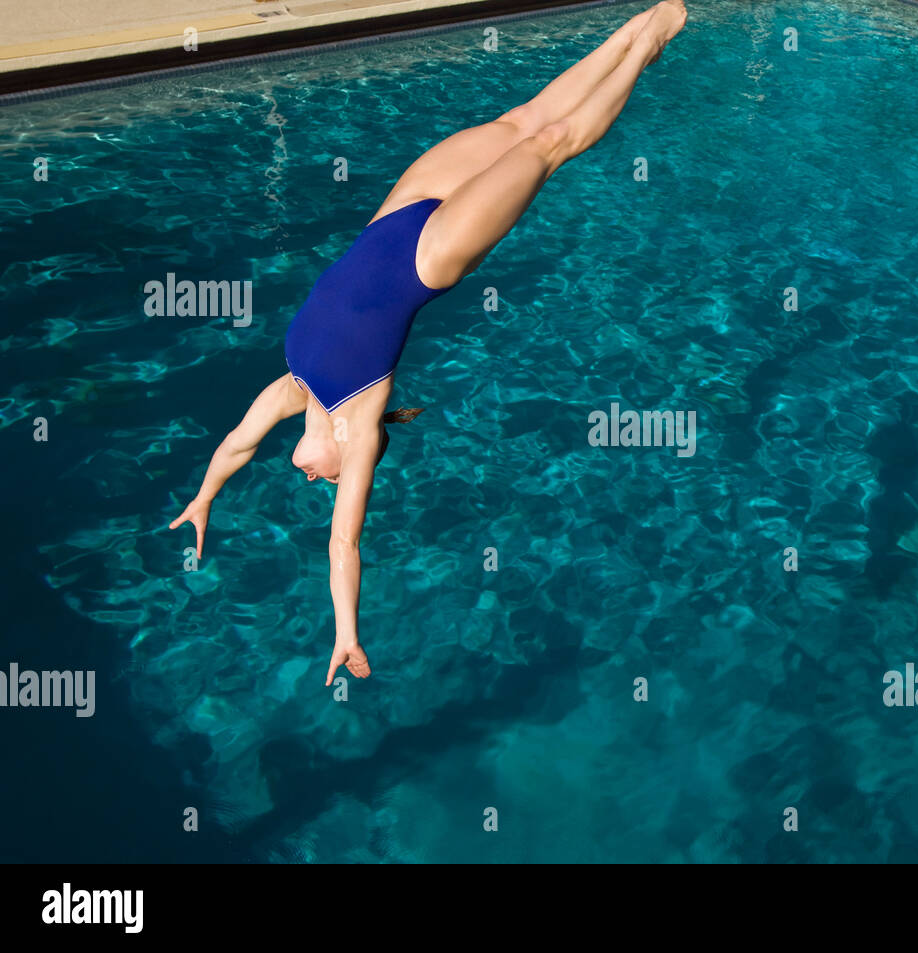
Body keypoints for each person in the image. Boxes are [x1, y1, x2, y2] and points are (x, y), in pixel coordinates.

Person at [170, 1, 688, 687]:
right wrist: (346, 632)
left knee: (521, 121)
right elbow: (343, 543)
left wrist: (204, 498)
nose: (314, 480)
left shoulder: (292, 388)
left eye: (317, 480)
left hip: (396, 211)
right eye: (325, 481)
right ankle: (647, 48)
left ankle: (630, 31)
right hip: (429, 255)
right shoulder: (355, 427)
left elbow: (236, 444)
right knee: (548, 146)